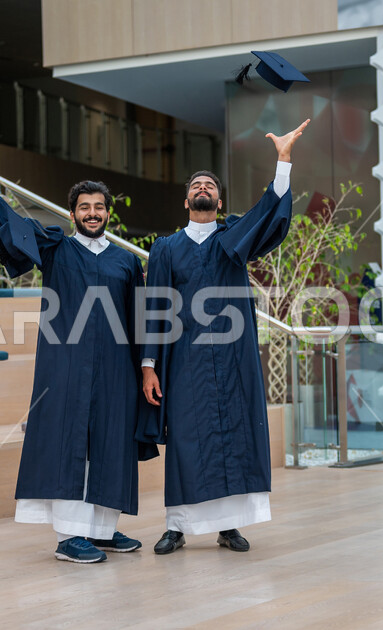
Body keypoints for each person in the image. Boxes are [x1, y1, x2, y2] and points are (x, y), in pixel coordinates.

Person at [0, 145, 154, 564]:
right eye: (83, 207)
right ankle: (69, 537)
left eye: (99, 207)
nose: (92, 213)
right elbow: (13, 227)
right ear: (72, 213)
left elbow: (141, 317)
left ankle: (102, 530)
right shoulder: (56, 248)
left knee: (110, 441)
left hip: (116, 367)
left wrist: (146, 367)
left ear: (108, 213)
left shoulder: (126, 262)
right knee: (69, 439)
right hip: (67, 364)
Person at [138, 120, 308, 554]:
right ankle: (177, 525)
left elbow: (269, 214)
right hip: (184, 358)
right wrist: (149, 365)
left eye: (210, 185)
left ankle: (229, 526)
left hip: (233, 356)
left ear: (218, 200)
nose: (203, 188)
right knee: (186, 440)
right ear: (186, 199)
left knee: (235, 433)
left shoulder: (235, 238)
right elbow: (154, 307)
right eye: (196, 184)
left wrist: (283, 160)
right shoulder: (165, 248)